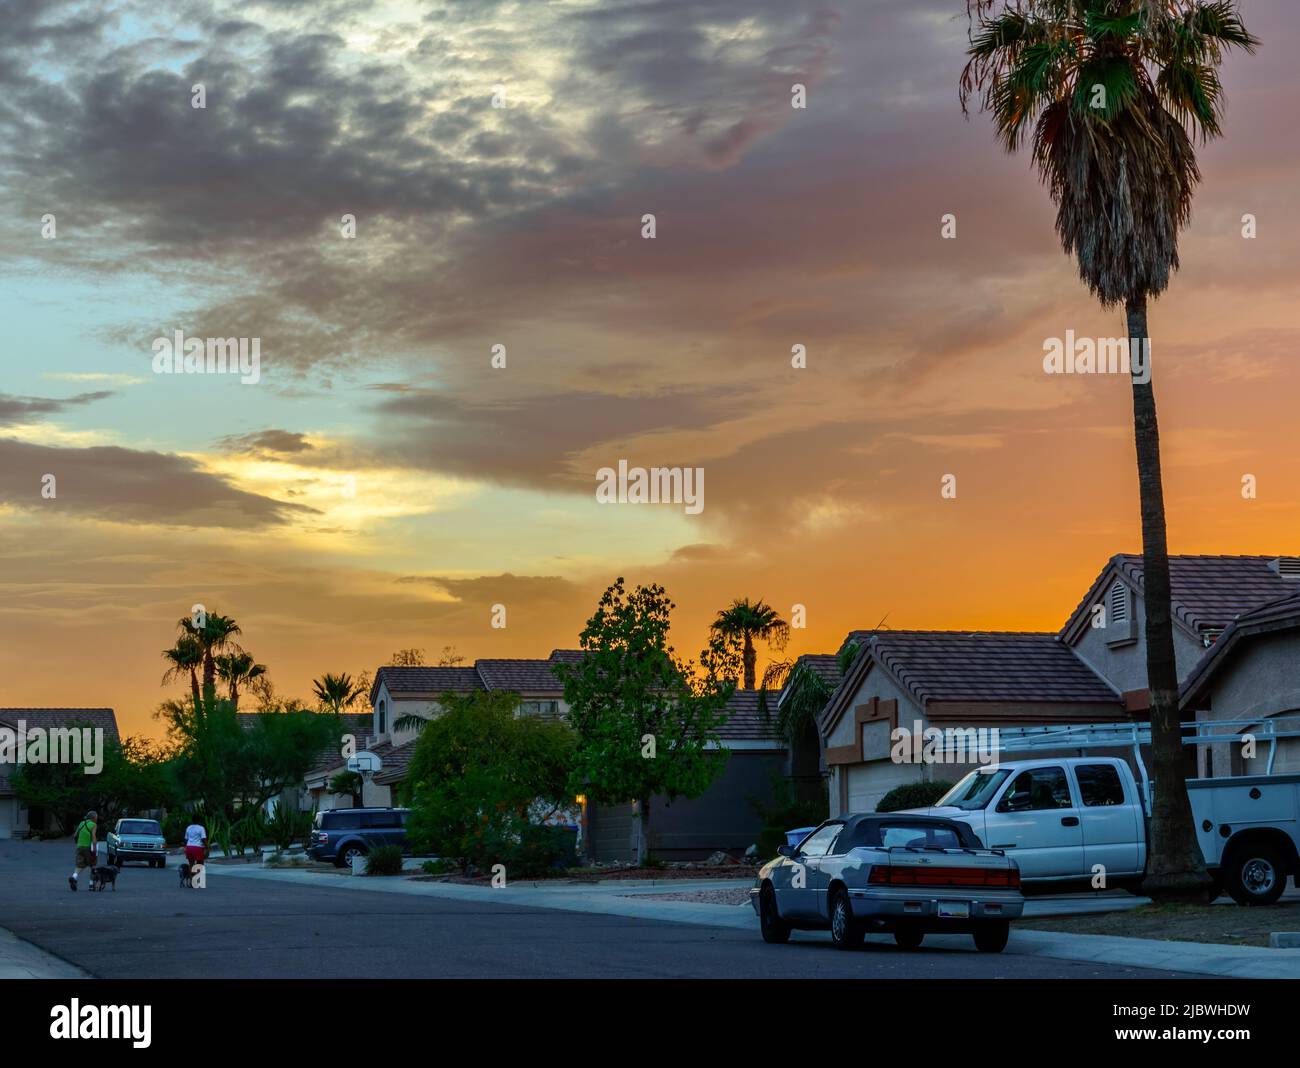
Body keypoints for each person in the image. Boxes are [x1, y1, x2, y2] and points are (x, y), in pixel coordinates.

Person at [69, 811, 97, 891]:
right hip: (88, 847)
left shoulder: (81, 823)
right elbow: (93, 837)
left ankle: (74, 877)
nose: (97, 819)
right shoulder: (94, 825)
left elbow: (75, 835)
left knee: (80, 865)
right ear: (93, 818)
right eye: (96, 817)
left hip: (79, 847)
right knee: (92, 865)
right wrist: (94, 848)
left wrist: (78, 843)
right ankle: (91, 885)